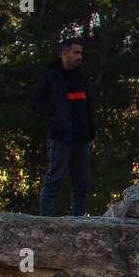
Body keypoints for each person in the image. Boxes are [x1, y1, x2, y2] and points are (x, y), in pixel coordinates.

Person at [30, 37, 97, 216]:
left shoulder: (81, 75)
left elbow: (88, 103)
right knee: (53, 180)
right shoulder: (50, 75)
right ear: (64, 54)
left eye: (81, 53)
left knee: (82, 184)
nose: (80, 56)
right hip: (61, 137)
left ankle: (78, 220)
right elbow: (35, 101)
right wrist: (55, 115)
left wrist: (91, 128)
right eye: (76, 52)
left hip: (82, 138)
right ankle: (45, 221)